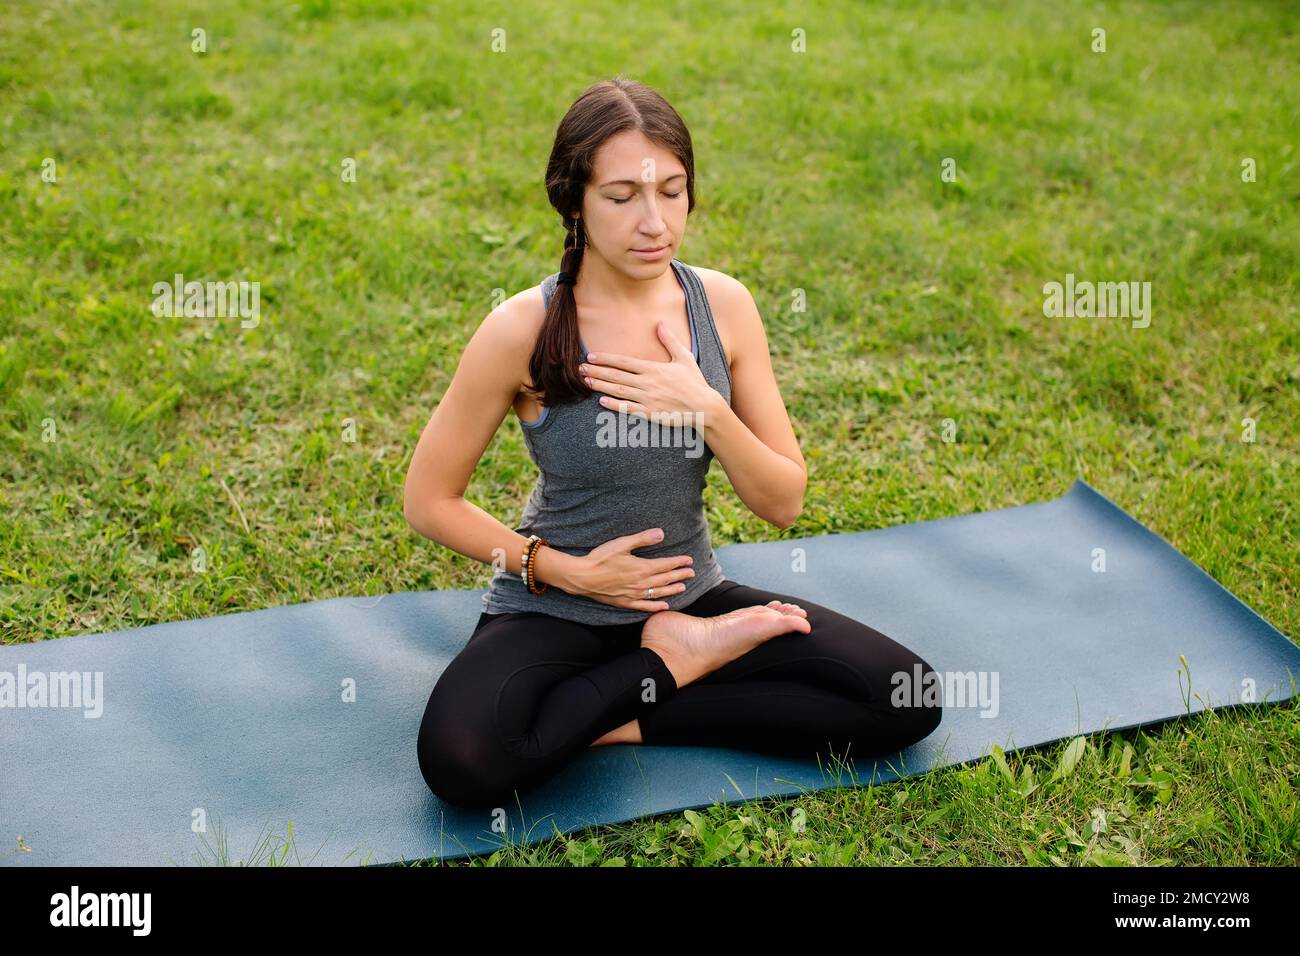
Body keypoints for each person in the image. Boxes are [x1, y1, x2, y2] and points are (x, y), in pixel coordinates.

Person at [404, 76, 942, 808]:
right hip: (554, 607)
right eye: (622, 197)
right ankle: (664, 672)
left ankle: (625, 695)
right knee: (462, 762)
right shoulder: (520, 329)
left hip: (690, 597)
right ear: (575, 202)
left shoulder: (723, 306)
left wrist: (707, 412)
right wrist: (563, 571)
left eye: (673, 191)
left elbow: (782, 501)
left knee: (904, 698)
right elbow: (429, 499)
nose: (653, 221)